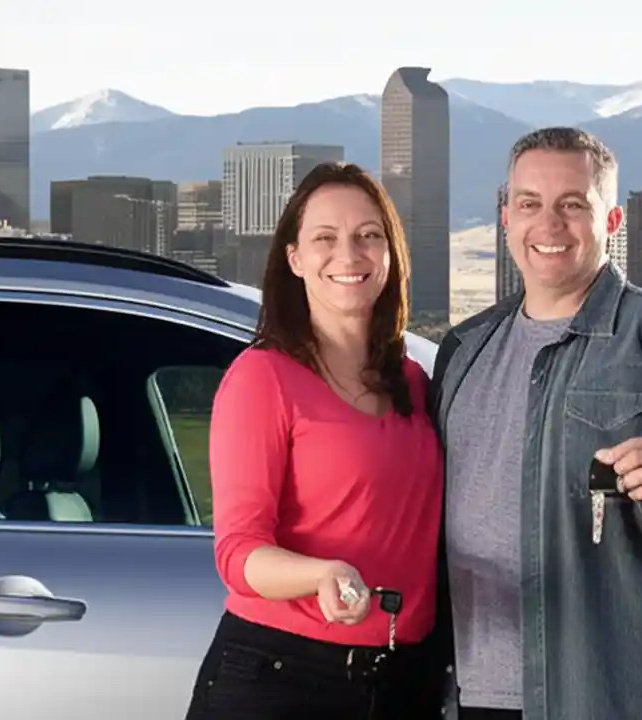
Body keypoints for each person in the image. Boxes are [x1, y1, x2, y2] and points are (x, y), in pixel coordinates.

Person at [427, 128, 642, 720]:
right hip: (471, 698)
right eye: (529, 204)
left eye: (572, 204)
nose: (549, 225)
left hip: (615, 700)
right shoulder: (465, 349)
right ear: (504, 217)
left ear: (612, 221)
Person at [186, 161, 445, 720]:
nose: (348, 255)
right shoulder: (263, 379)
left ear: (391, 254)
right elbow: (237, 553)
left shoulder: (416, 383)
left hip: (401, 683)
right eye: (325, 238)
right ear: (295, 259)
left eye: (368, 236)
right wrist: (320, 574)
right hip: (283, 681)